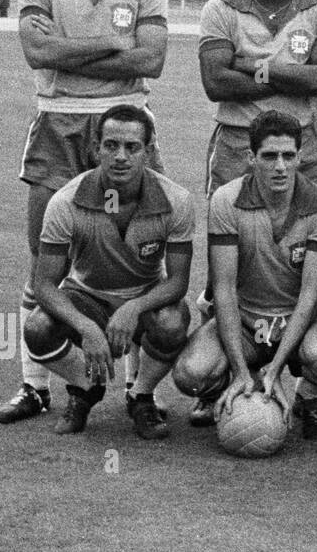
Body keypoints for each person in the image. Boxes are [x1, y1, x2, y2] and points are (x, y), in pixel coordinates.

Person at [0, 0, 168, 427]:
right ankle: (35, 386)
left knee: (145, 254)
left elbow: (153, 60)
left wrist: (74, 56)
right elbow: (35, 51)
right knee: (43, 255)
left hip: (126, 124)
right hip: (58, 122)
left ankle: (143, 394)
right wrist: (116, 47)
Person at [192, 0, 317, 426]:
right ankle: (219, 375)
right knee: (228, 262)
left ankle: (307, 387)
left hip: (300, 143)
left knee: (306, 261)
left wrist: (250, 67)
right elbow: (215, 83)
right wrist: (286, 78)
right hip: (238, 143)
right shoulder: (221, 9)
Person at [173, 111, 317, 441]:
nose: (280, 166)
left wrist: (277, 368)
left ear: (300, 157)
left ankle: (309, 395)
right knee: (190, 374)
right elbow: (223, 290)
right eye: (269, 156)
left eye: (288, 156)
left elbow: (310, 295)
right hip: (245, 319)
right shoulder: (226, 200)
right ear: (251, 157)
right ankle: (234, 381)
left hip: (304, 316)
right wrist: (242, 371)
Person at [23, 106, 193, 439]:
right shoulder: (65, 201)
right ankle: (86, 387)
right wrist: (86, 326)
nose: (120, 156)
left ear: (148, 150)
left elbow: (177, 282)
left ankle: (140, 396)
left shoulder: (177, 200)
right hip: (86, 295)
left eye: (132, 147)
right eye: (111, 145)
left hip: (144, 296)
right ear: (96, 148)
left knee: (173, 323)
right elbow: (44, 285)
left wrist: (134, 308)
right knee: (38, 328)